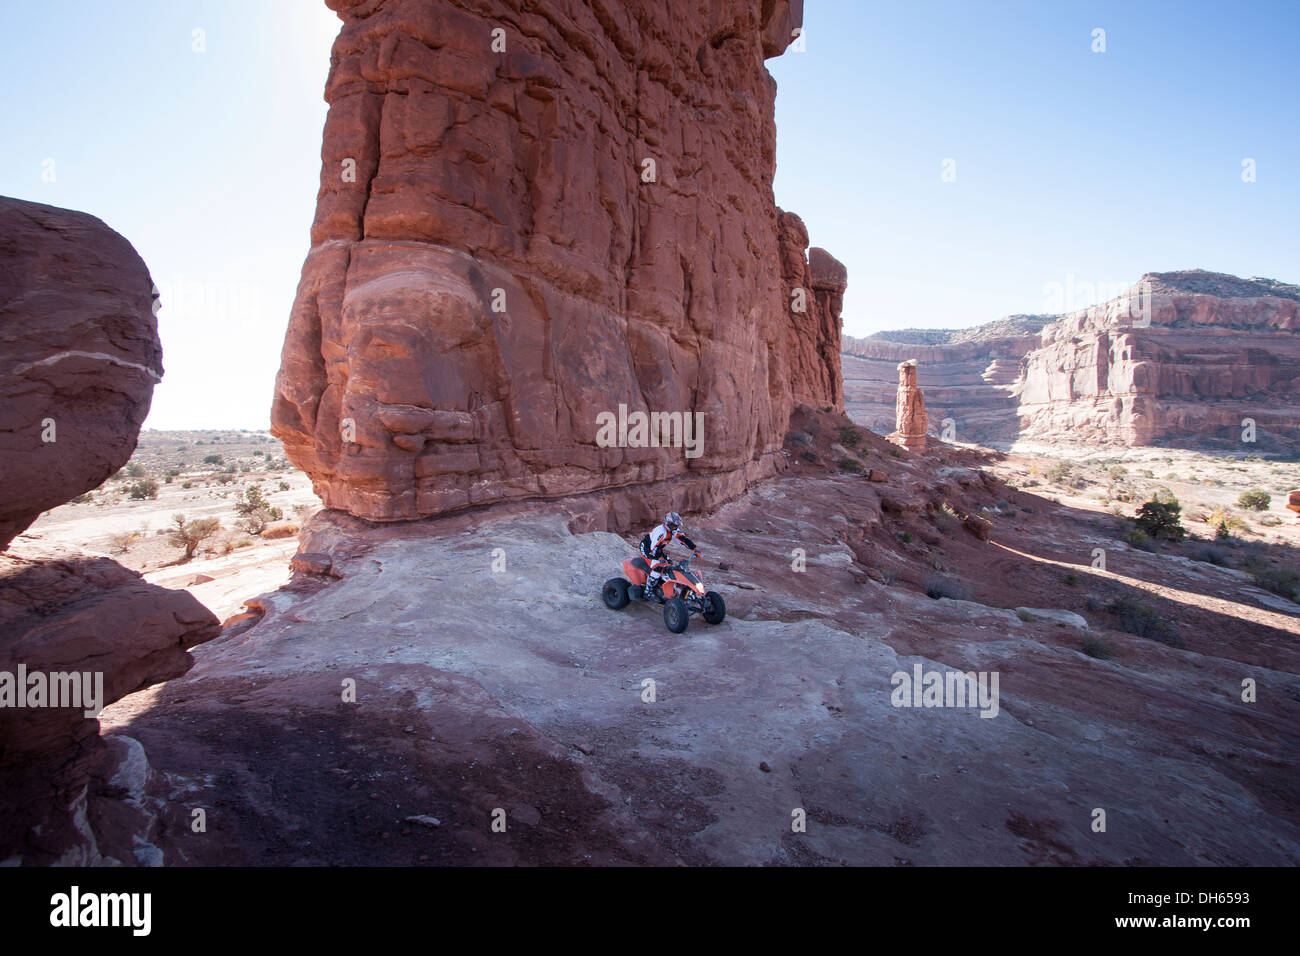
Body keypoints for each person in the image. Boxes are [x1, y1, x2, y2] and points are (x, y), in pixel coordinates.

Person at [639, 511, 698, 600]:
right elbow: (654, 548)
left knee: (671, 565)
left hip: (657, 549)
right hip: (647, 549)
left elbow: (682, 539)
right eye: (673, 525)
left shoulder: (673, 531)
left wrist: (694, 548)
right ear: (667, 524)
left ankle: (664, 585)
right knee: (658, 566)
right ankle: (648, 592)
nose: (675, 527)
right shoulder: (661, 532)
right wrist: (660, 558)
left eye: (676, 526)